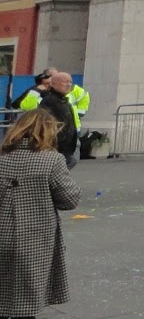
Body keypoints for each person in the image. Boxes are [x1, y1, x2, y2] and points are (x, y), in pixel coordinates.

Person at [0, 109, 82, 317]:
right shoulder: (51, 160)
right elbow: (69, 200)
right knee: (25, 305)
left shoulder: (1, 158)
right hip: (33, 240)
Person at [24, 71, 80, 169]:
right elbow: (46, 123)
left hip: (65, 146)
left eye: (70, 82)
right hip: (56, 146)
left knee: (70, 162)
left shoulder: (63, 100)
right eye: (65, 82)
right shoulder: (50, 100)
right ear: (54, 84)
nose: (69, 84)